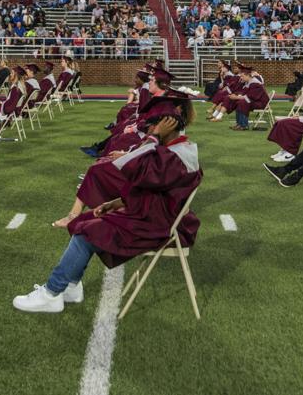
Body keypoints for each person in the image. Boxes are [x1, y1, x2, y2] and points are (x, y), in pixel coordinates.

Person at [12, 111, 201, 313]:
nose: (150, 133)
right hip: (153, 216)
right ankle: (72, 286)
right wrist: (114, 204)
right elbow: (150, 191)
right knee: (84, 220)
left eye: (153, 129)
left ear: (167, 126)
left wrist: (155, 137)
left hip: (159, 226)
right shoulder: (177, 150)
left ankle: (51, 293)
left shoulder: (174, 156)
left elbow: (134, 165)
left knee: (87, 233)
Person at [52, 91, 194, 228]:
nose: (150, 129)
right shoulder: (177, 146)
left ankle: (77, 215)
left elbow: (143, 173)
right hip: (151, 201)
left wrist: (151, 139)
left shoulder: (173, 155)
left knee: (98, 173)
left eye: (153, 126)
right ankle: (84, 213)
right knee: (103, 167)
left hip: (153, 219)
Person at [230, 64, 270, 130]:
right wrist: (236, 96)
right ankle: (239, 124)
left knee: (243, 102)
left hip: (260, 103)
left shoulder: (255, 83)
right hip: (254, 101)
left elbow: (251, 96)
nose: (241, 78)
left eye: (242, 76)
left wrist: (237, 97)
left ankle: (244, 125)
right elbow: (244, 93)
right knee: (239, 102)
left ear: (248, 75)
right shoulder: (248, 82)